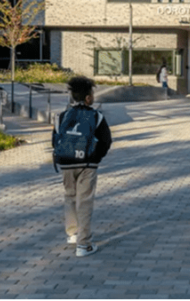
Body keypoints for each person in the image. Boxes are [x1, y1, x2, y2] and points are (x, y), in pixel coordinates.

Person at [52, 76, 112, 257]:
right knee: (84, 202)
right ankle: (84, 244)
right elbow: (106, 141)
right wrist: (96, 158)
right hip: (87, 163)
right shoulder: (96, 116)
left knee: (70, 197)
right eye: (92, 94)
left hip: (66, 163)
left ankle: (73, 234)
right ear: (87, 98)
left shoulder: (62, 116)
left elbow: (55, 140)